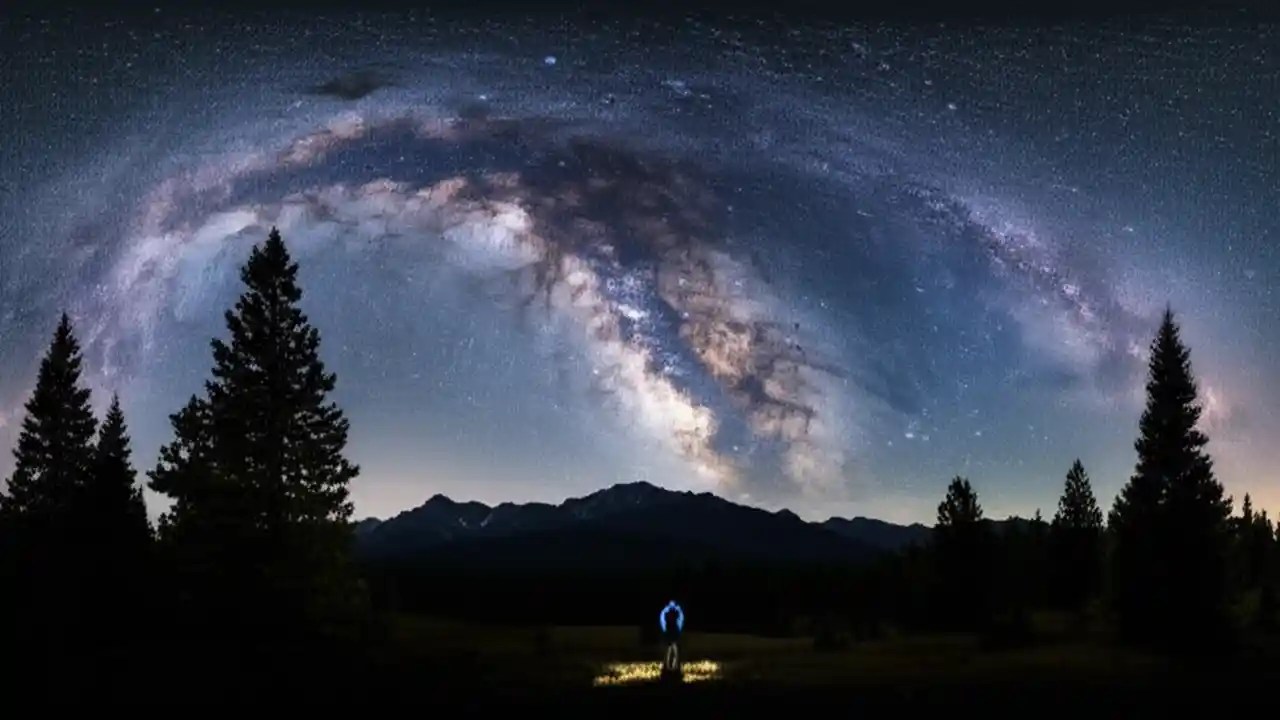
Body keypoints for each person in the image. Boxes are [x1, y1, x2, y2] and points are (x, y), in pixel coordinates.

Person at [659, 601, 684, 674]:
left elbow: (681, 619)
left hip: (674, 634)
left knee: (674, 650)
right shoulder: (668, 614)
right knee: (670, 650)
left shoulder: (675, 615)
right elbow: (662, 619)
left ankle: (673, 666)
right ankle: (669, 666)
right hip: (671, 633)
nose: (672, 606)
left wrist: (679, 610)